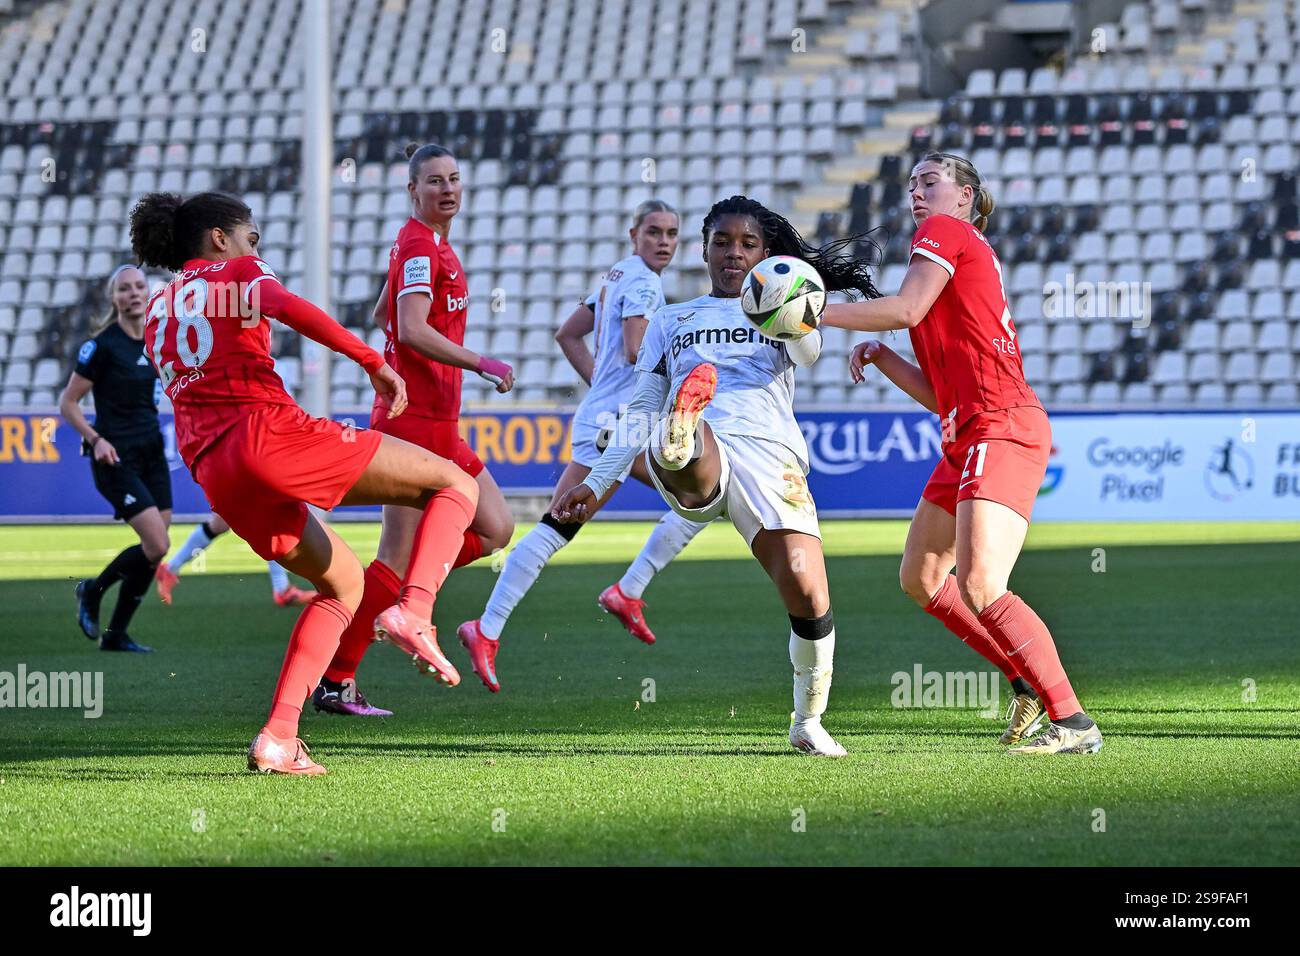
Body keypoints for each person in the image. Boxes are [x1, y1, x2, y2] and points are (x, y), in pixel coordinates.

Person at [131, 190, 480, 774]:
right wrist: (372, 361)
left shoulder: (158, 308)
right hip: (266, 432)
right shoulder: (237, 270)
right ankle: (414, 611)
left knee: (343, 585)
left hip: (214, 470)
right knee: (454, 486)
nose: (254, 248)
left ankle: (278, 737)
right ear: (220, 237)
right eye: (251, 237)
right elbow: (287, 305)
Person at [554, 196, 878, 757]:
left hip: (769, 454)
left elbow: (808, 354)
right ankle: (681, 433)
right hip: (702, 449)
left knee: (809, 592)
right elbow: (636, 411)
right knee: (680, 433)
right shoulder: (671, 320)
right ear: (703, 250)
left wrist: (789, 304)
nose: (733, 253)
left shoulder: (782, 306)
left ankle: (808, 720)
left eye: (747, 244)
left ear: (765, 253)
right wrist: (598, 482)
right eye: (722, 242)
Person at [827, 151, 1101, 755]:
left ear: (966, 197)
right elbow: (939, 393)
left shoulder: (944, 233)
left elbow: (902, 310)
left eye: (931, 182)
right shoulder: (941, 258)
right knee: (922, 578)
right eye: (913, 185)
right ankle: (1023, 679)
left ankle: (1074, 722)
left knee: (981, 584)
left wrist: (812, 313)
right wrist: (882, 355)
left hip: (1001, 425)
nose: (917, 194)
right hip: (968, 431)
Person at [456, 199, 708, 692]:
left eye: (672, 234)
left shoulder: (617, 275)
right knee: (562, 524)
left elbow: (568, 334)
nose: (664, 241)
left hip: (612, 418)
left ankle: (625, 592)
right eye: (654, 231)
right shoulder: (643, 283)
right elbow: (639, 351)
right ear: (634, 233)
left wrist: (601, 387)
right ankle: (487, 628)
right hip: (617, 426)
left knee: (695, 499)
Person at [312, 142, 519, 715]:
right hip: (415, 423)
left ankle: (407, 597)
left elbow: (384, 315)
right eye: (434, 181)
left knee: (497, 527)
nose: (447, 189)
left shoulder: (422, 244)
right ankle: (337, 679)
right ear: (412, 191)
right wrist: (482, 362)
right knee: (396, 559)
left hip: (439, 425)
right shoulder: (422, 246)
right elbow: (408, 327)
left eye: (454, 179)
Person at [60, 265, 170, 653]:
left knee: (157, 546)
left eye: (139, 286)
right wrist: (96, 439)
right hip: (114, 456)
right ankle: (93, 590)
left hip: (152, 451)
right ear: (114, 299)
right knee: (156, 544)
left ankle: (116, 635)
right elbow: (68, 402)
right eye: (124, 289)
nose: (133, 294)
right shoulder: (102, 346)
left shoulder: (157, 339)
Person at [155, 513, 317, 607]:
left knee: (220, 524)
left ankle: (170, 569)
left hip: (222, 461)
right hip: (228, 461)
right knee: (270, 514)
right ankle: (282, 589)